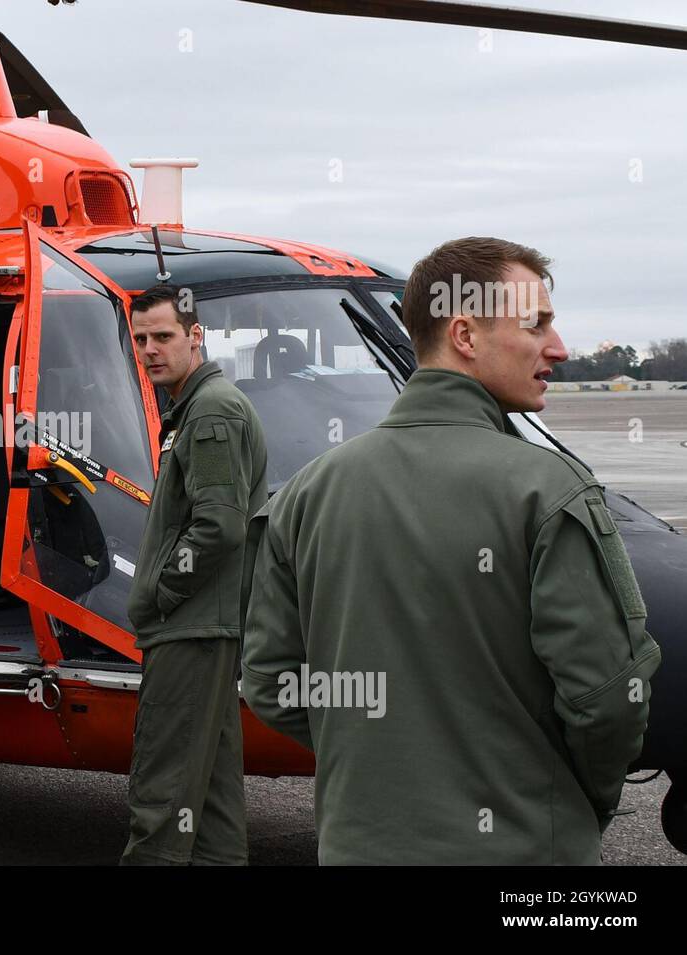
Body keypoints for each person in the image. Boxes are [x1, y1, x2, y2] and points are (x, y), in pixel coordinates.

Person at [242, 237, 662, 865]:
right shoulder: (548, 490)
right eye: (536, 324)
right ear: (465, 334)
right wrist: (575, 802)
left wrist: (383, 759)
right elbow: (605, 701)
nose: (560, 348)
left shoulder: (304, 493)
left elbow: (274, 685)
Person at [118, 284, 266, 866]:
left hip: (192, 627)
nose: (151, 349)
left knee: (160, 796)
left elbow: (219, 526)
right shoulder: (197, 405)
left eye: (163, 336)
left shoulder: (210, 411)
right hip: (205, 625)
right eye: (140, 339)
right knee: (210, 806)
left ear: (195, 336)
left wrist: (162, 593)